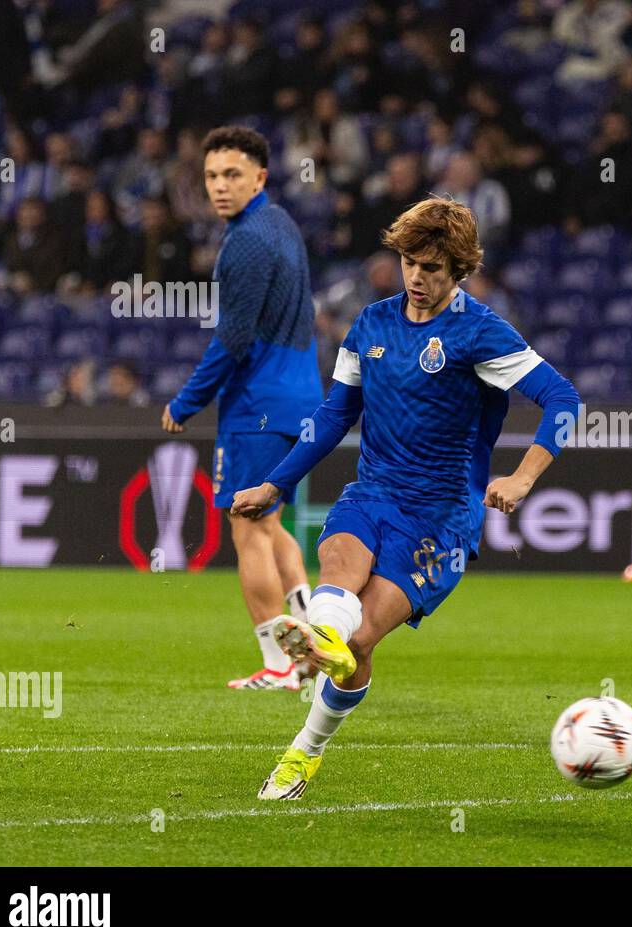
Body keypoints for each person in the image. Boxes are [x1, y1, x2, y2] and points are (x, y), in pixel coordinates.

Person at [231, 197, 581, 800]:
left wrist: (522, 478)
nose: (418, 278)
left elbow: (564, 399)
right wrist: (274, 483)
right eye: (409, 263)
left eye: (433, 269)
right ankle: (322, 642)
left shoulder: (480, 333)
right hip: (372, 493)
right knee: (338, 568)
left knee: (362, 641)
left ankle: (305, 747)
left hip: (442, 520)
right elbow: (334, 414)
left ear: (460, 271)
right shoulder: (371, 325)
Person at [161, 126, 323, 691]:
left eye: (232, 174)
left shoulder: (246, 242)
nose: (219, 186)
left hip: (259, 403)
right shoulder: (281, 225)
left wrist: (187, 401)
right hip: (300, 398)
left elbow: (232, 339)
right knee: (271, 521)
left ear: (260, 177)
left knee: (246, 525)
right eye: (211, 176)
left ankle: (280, 663)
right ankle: (310, 638)